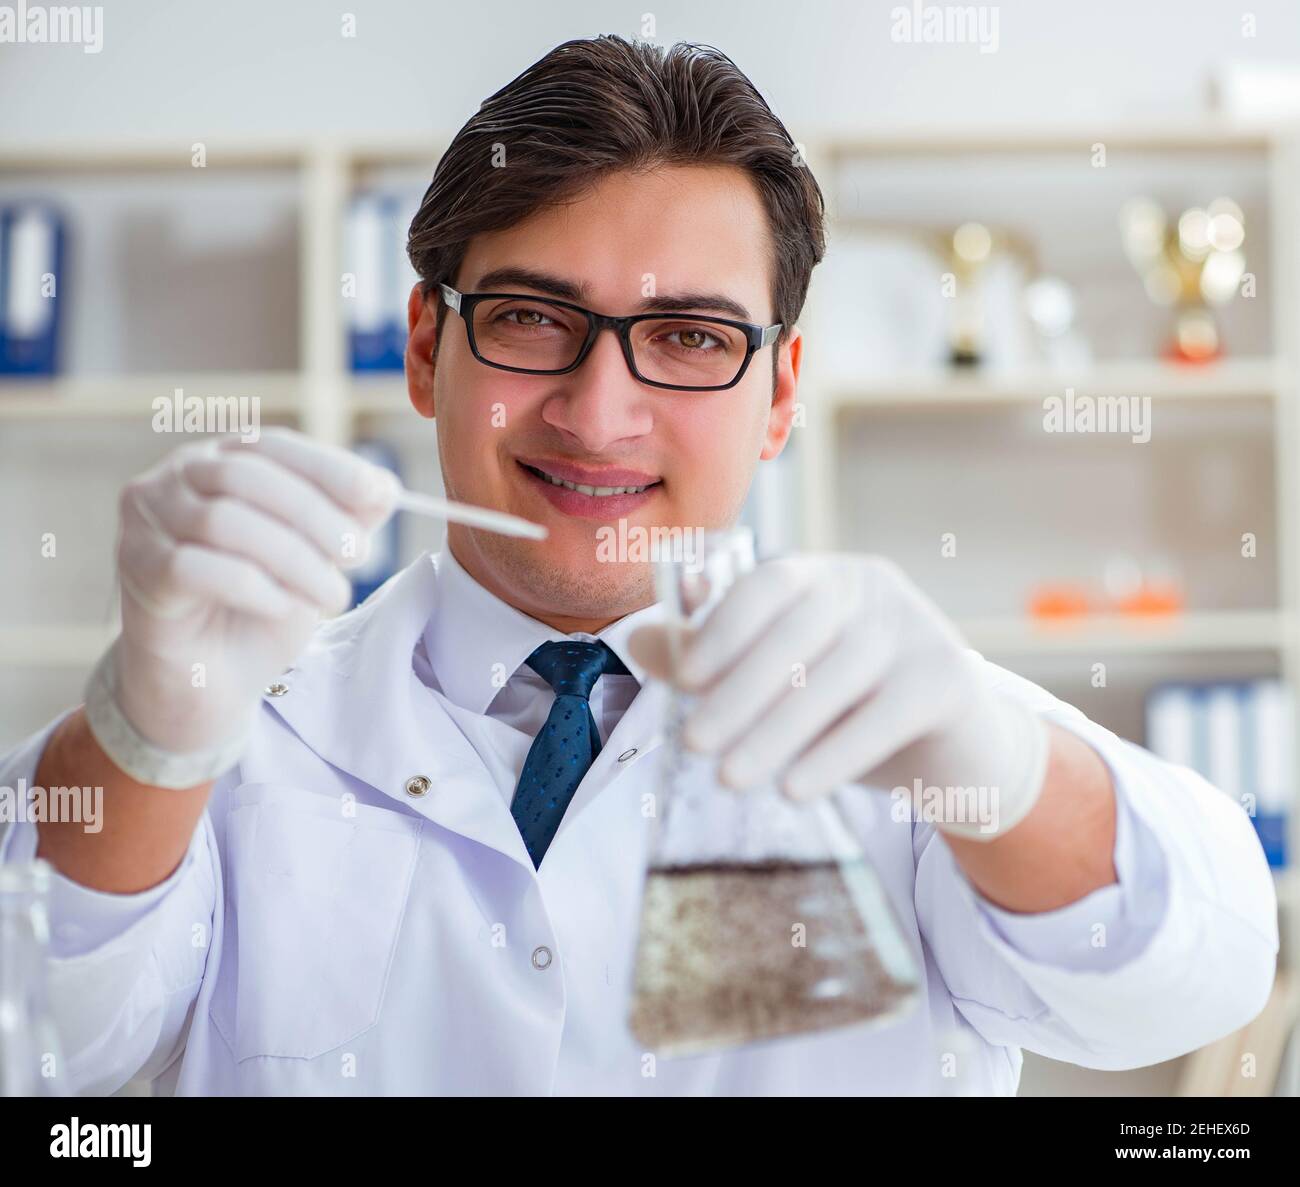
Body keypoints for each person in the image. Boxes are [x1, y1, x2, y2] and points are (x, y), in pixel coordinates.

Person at [1, 35, 1276, 1096]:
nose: (597, 412)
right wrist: (142, 737)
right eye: (532, 320)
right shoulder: (239, 731)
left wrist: (988, 765)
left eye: (686, 335)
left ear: (779, 391)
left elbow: (1184, 975)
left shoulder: (913, 732)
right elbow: (35, 1036)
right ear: (427, 349)